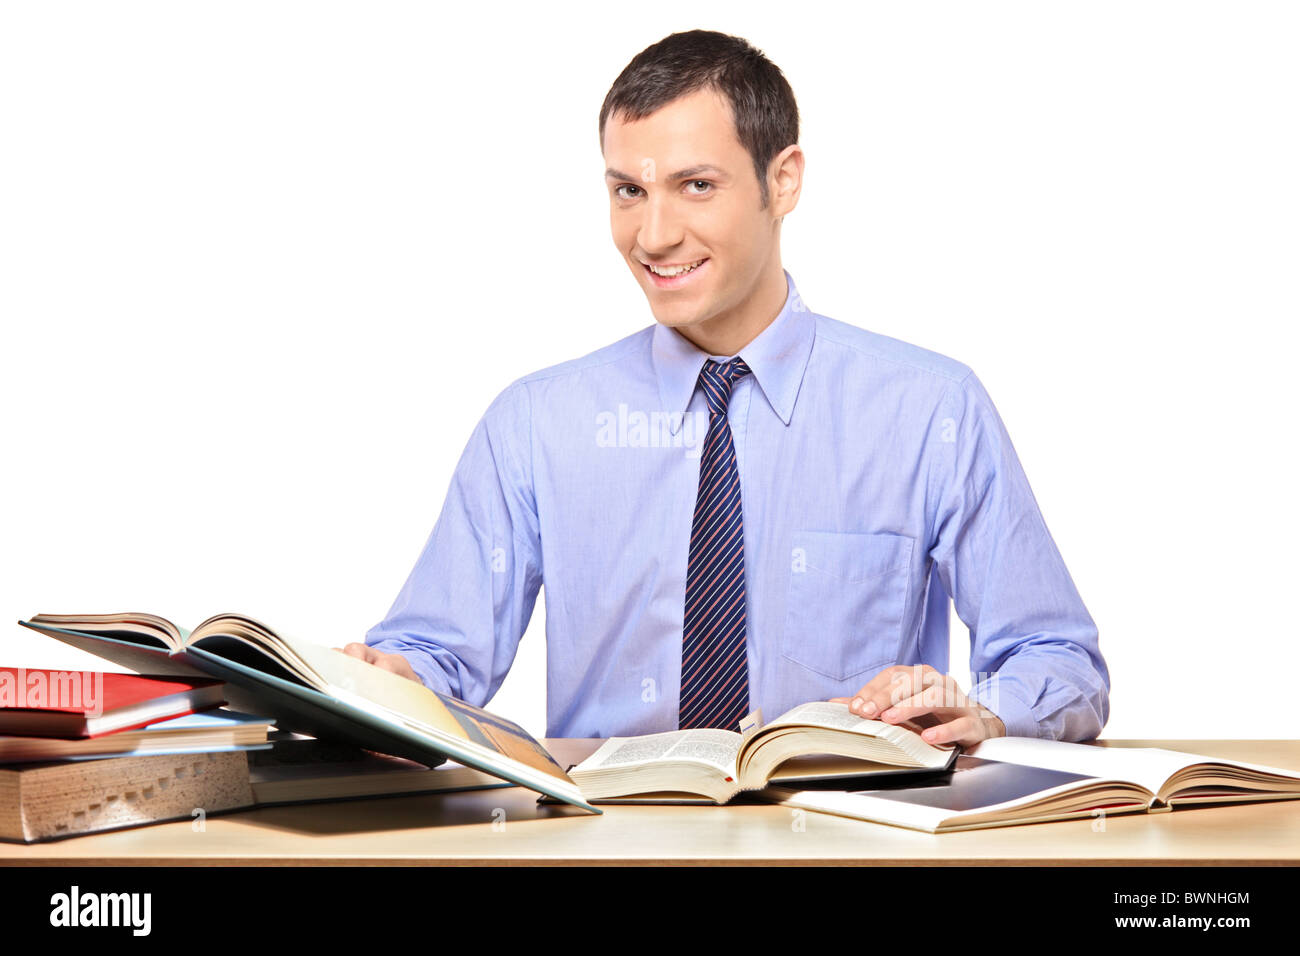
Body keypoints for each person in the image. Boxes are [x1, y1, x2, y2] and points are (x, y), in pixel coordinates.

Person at [340, 29, 1109, 747]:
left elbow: (1059, 658)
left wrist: (984, 711)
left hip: (843, 842)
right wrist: (393, 683)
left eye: (695, 185)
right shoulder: (535, 424)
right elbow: (436, 655)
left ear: (784, 181)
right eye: (628, 191)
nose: (653, 236)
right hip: (606, 843)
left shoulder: (929, 409)